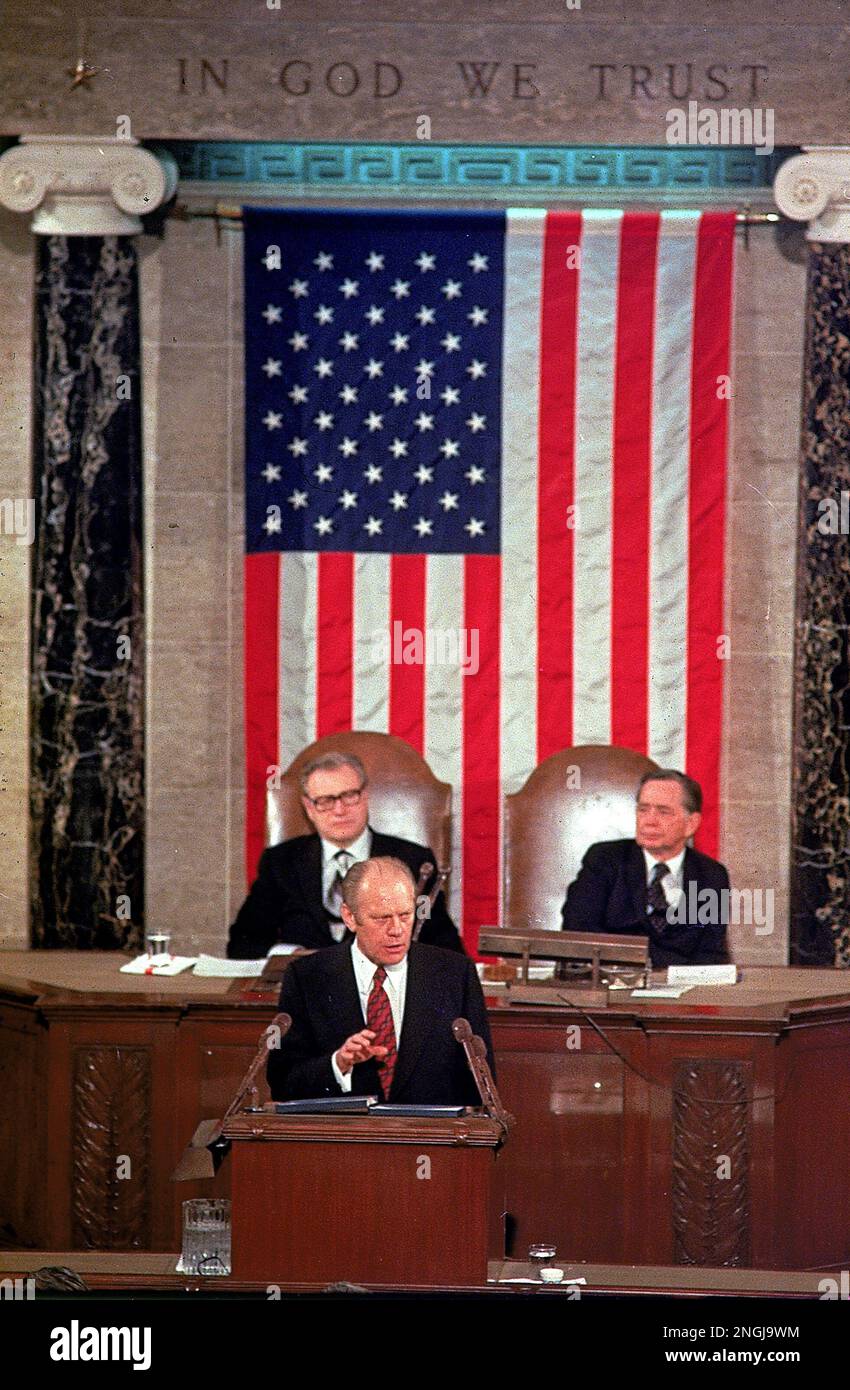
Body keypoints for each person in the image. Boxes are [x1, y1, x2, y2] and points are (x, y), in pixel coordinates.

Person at [267, 857, 493, 1105]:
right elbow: (282, 1080)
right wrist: (339, 1063)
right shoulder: (306, 977)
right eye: (382, 918)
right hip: (345, 1138)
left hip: (431, 1138)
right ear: (350, 917)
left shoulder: (455, 974)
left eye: (405, 915)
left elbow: (482, 1084)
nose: (397, 930)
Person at [228, 750, 462, 957]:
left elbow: (445, 946)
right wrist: (293, 956)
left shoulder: (414, 862)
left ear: (365, 796)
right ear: (309, 808)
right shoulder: (280, 863)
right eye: (325, 801)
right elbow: (243, 943)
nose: (339, 810)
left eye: (349, 796)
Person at [560, 769, 730, 968]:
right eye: (643, 810)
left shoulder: (711, 875)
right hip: (614, 985)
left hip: (682, 992)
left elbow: (711, 953)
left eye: (663, 811)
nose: (649, 821)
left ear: (691, 824)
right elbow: (579, 931)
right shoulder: (605, 859)